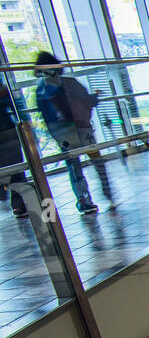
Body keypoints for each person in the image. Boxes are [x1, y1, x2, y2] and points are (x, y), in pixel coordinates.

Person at [34, 52, 110, 214]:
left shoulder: (41, 90)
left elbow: (47, 117)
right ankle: (105, 191)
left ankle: (83, 199)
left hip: (63, 134)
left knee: (74, 167)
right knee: (96, 160)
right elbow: (88, 101)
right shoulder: (69, 83)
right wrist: (95, 97)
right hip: (82, 128)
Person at [0, 89, 29, 218]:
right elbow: (14, 104)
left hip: (7, 132)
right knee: (17, 168)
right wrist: (25, 121)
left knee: (11, 168)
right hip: (7, 131)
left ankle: (7, 194)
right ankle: (19, 204)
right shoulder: (2, 90)